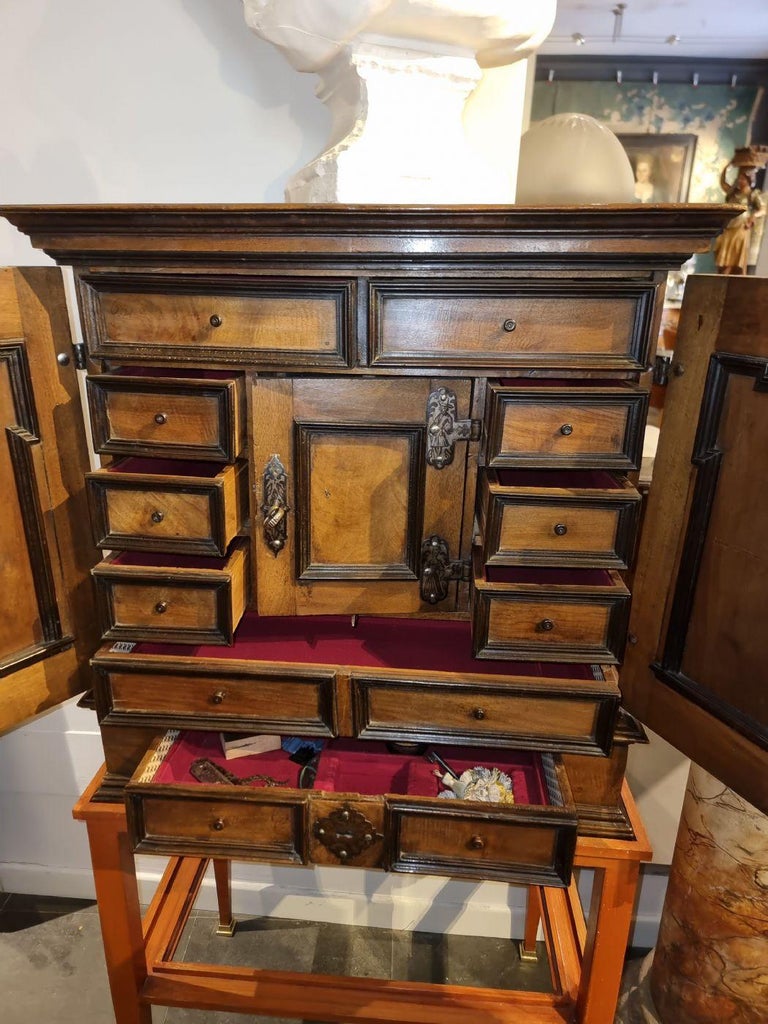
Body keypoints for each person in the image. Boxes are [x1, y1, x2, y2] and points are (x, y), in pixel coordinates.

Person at [714, 164, 765, 275]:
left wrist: (753, 216)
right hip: (728, 227)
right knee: (722, 259)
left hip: (741, 228)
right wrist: (726, 167)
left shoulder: (752, 194)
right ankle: (722, 276)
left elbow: (763, 209)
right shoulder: (733, 192)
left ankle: (728, 278)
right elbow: (722, 182)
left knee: (734, 258)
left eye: (742, 178)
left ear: (748, 179)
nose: (739, 180)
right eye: (739, 178)